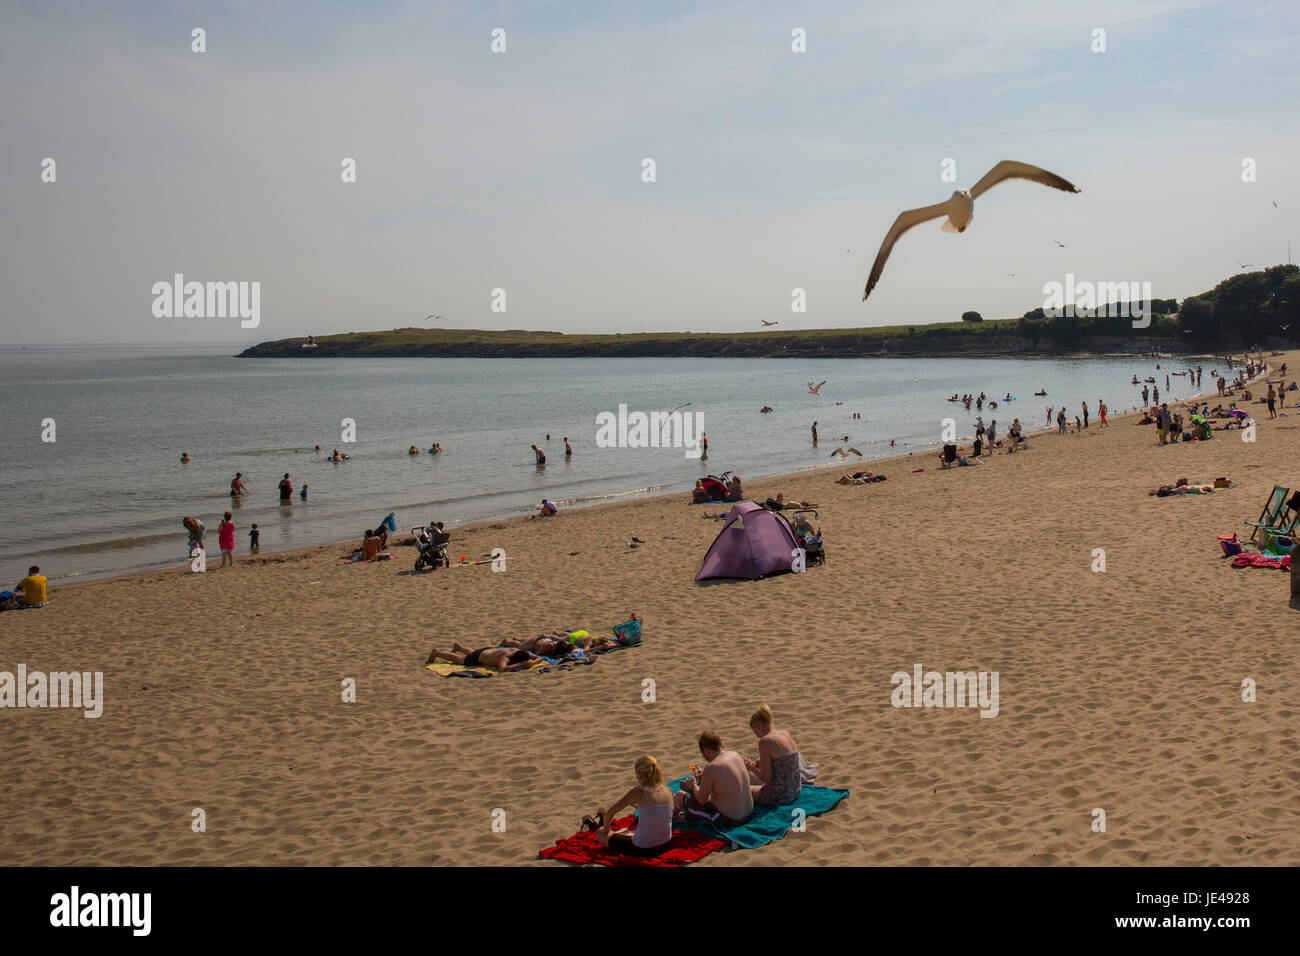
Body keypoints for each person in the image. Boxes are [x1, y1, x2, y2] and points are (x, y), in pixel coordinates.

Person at [592, 755, 675, 857]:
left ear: (639, 775)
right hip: (665, 844)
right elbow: (655, 811)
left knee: (600, 833)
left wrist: (606, 831)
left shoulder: (638, 791)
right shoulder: (667, 790)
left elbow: (610, 813)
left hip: (643, 848)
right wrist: (638, 807)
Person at [674, 730, 754, 826]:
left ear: (706, 751)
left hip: (730, 820)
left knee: (679, 796)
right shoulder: (735, 755)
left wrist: (693, 785)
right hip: (749, 813)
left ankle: (674, 818)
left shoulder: (711, 767)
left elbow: (701, 800)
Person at [744, 705, 814, 806]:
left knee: (744, 788)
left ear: (757, 726)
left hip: (780, 796)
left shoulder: (764, 741)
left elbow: (767, 779)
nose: (758, 737)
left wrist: (751, 767)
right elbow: (782, 764)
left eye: (756, 733)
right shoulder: (785, 733)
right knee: (751, 778)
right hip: (796, 790)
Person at [425, 644, 540, 672]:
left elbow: (539, 658)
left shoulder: (517, 651)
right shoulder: (505, 658)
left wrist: (533, 662)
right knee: (459, 660)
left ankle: (458, 647)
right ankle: (437, 653)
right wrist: (520, 665)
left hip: (487, 651)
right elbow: (502, 669)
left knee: (471, 652)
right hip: (479, 657)